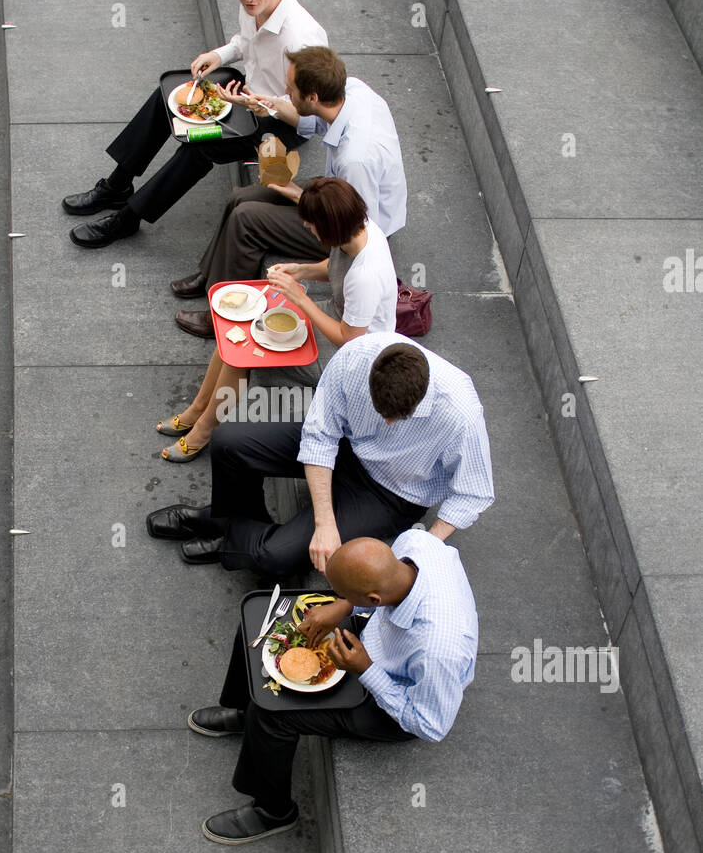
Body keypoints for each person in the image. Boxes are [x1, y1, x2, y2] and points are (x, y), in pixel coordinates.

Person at [188, 530, 478, 844]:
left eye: (342, 593)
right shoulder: (415, 543)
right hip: (375, 637)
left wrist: (365, 670)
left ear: (373, 600)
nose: (336, 596)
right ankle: (242, 710)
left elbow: (429, 724)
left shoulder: (438, 649)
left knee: (272, 714)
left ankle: (274, 811)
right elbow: (373, 594)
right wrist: (343, 607)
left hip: (394, 703)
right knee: (259, 628)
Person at [145, 332, 495, 572]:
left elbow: (473, 493)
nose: (387, 424)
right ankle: (226, 518)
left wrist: (424, 551)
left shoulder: (460, 414)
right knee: (229, 441)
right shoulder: (355, 359)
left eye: (398, 418)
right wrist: (325, 522)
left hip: (391, 493)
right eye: (380, 411)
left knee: (275, 555)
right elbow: (321, 434)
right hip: (347, 445)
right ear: (370, 376)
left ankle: (228, 537)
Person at [65, 0, 327, 248]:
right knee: (171, 96)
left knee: (199, 146)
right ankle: (117, 185)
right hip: (247, 92)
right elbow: (245, 43)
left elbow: (312, 113)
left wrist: (260, 105)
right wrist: (219, 55)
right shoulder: (256, 4)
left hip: (280, 122)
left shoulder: (301, 38)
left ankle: (128, 218)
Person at [156, 176, 397, 461]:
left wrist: (301, 298)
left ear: (331, 225)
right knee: (235, 335)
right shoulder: (359, 229)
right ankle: (196, 410)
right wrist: (300, 270)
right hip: (338, 321)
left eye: (311, 222)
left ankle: (203, 430)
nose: (307, 226)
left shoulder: (365, 275)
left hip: (352, 362)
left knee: (243, 355)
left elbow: (349, 340)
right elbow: (333, 265)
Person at [172, 46, 406, 337]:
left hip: (346, 224)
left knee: (247, 218)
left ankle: (222, 317)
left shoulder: (355, 159)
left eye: (291, 89)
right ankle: (213, 277)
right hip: (339, 191)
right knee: (241, 196)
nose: (285, 91)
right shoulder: (351, 90)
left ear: (312, 96)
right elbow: (312, 120)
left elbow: (355, 222)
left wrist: (298, 195)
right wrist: (261, 103)